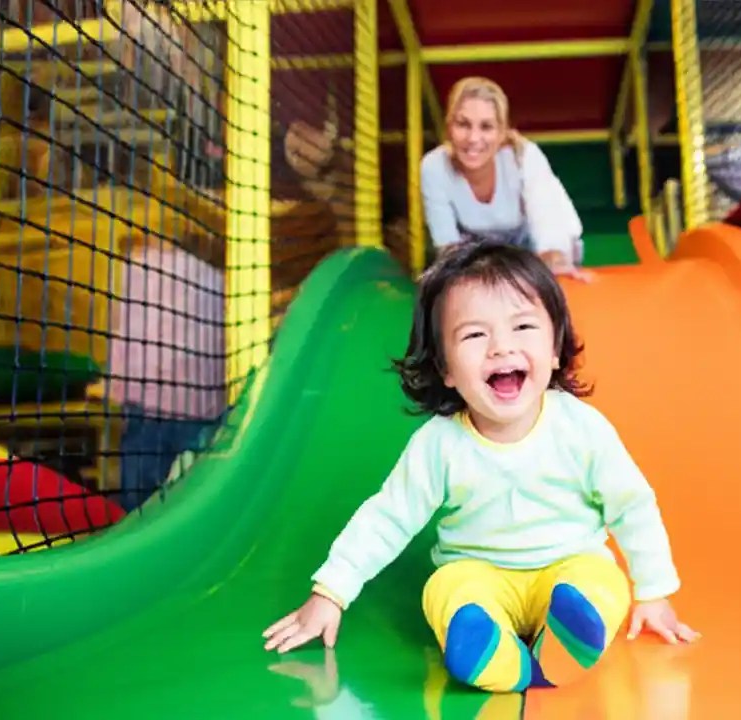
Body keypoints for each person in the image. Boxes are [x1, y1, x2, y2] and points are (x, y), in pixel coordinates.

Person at [262, 240, 698, 693]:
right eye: (474, 335)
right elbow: (387, 517)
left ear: (555, 350)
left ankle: (566, 633)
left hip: (569, 564)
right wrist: (330, 593)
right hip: (479, 571)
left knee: (602, 584)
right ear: (445, 368)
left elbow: (632, 506)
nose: (500, 348)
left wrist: (653, 591)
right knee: (449, 591)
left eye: (523, 326)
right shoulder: (440, 443)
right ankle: (497, 658)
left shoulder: (580, 428)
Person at [420, 77, 591, 281]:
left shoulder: (523, 156)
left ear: (502, 133)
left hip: (532, 250)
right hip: (479, 258)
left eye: (486, 127)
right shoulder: (434, 167)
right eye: (463, 124)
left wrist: (553, 258)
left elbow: (547, 215)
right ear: (449, 127)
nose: (473, 139)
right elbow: (447, 246)